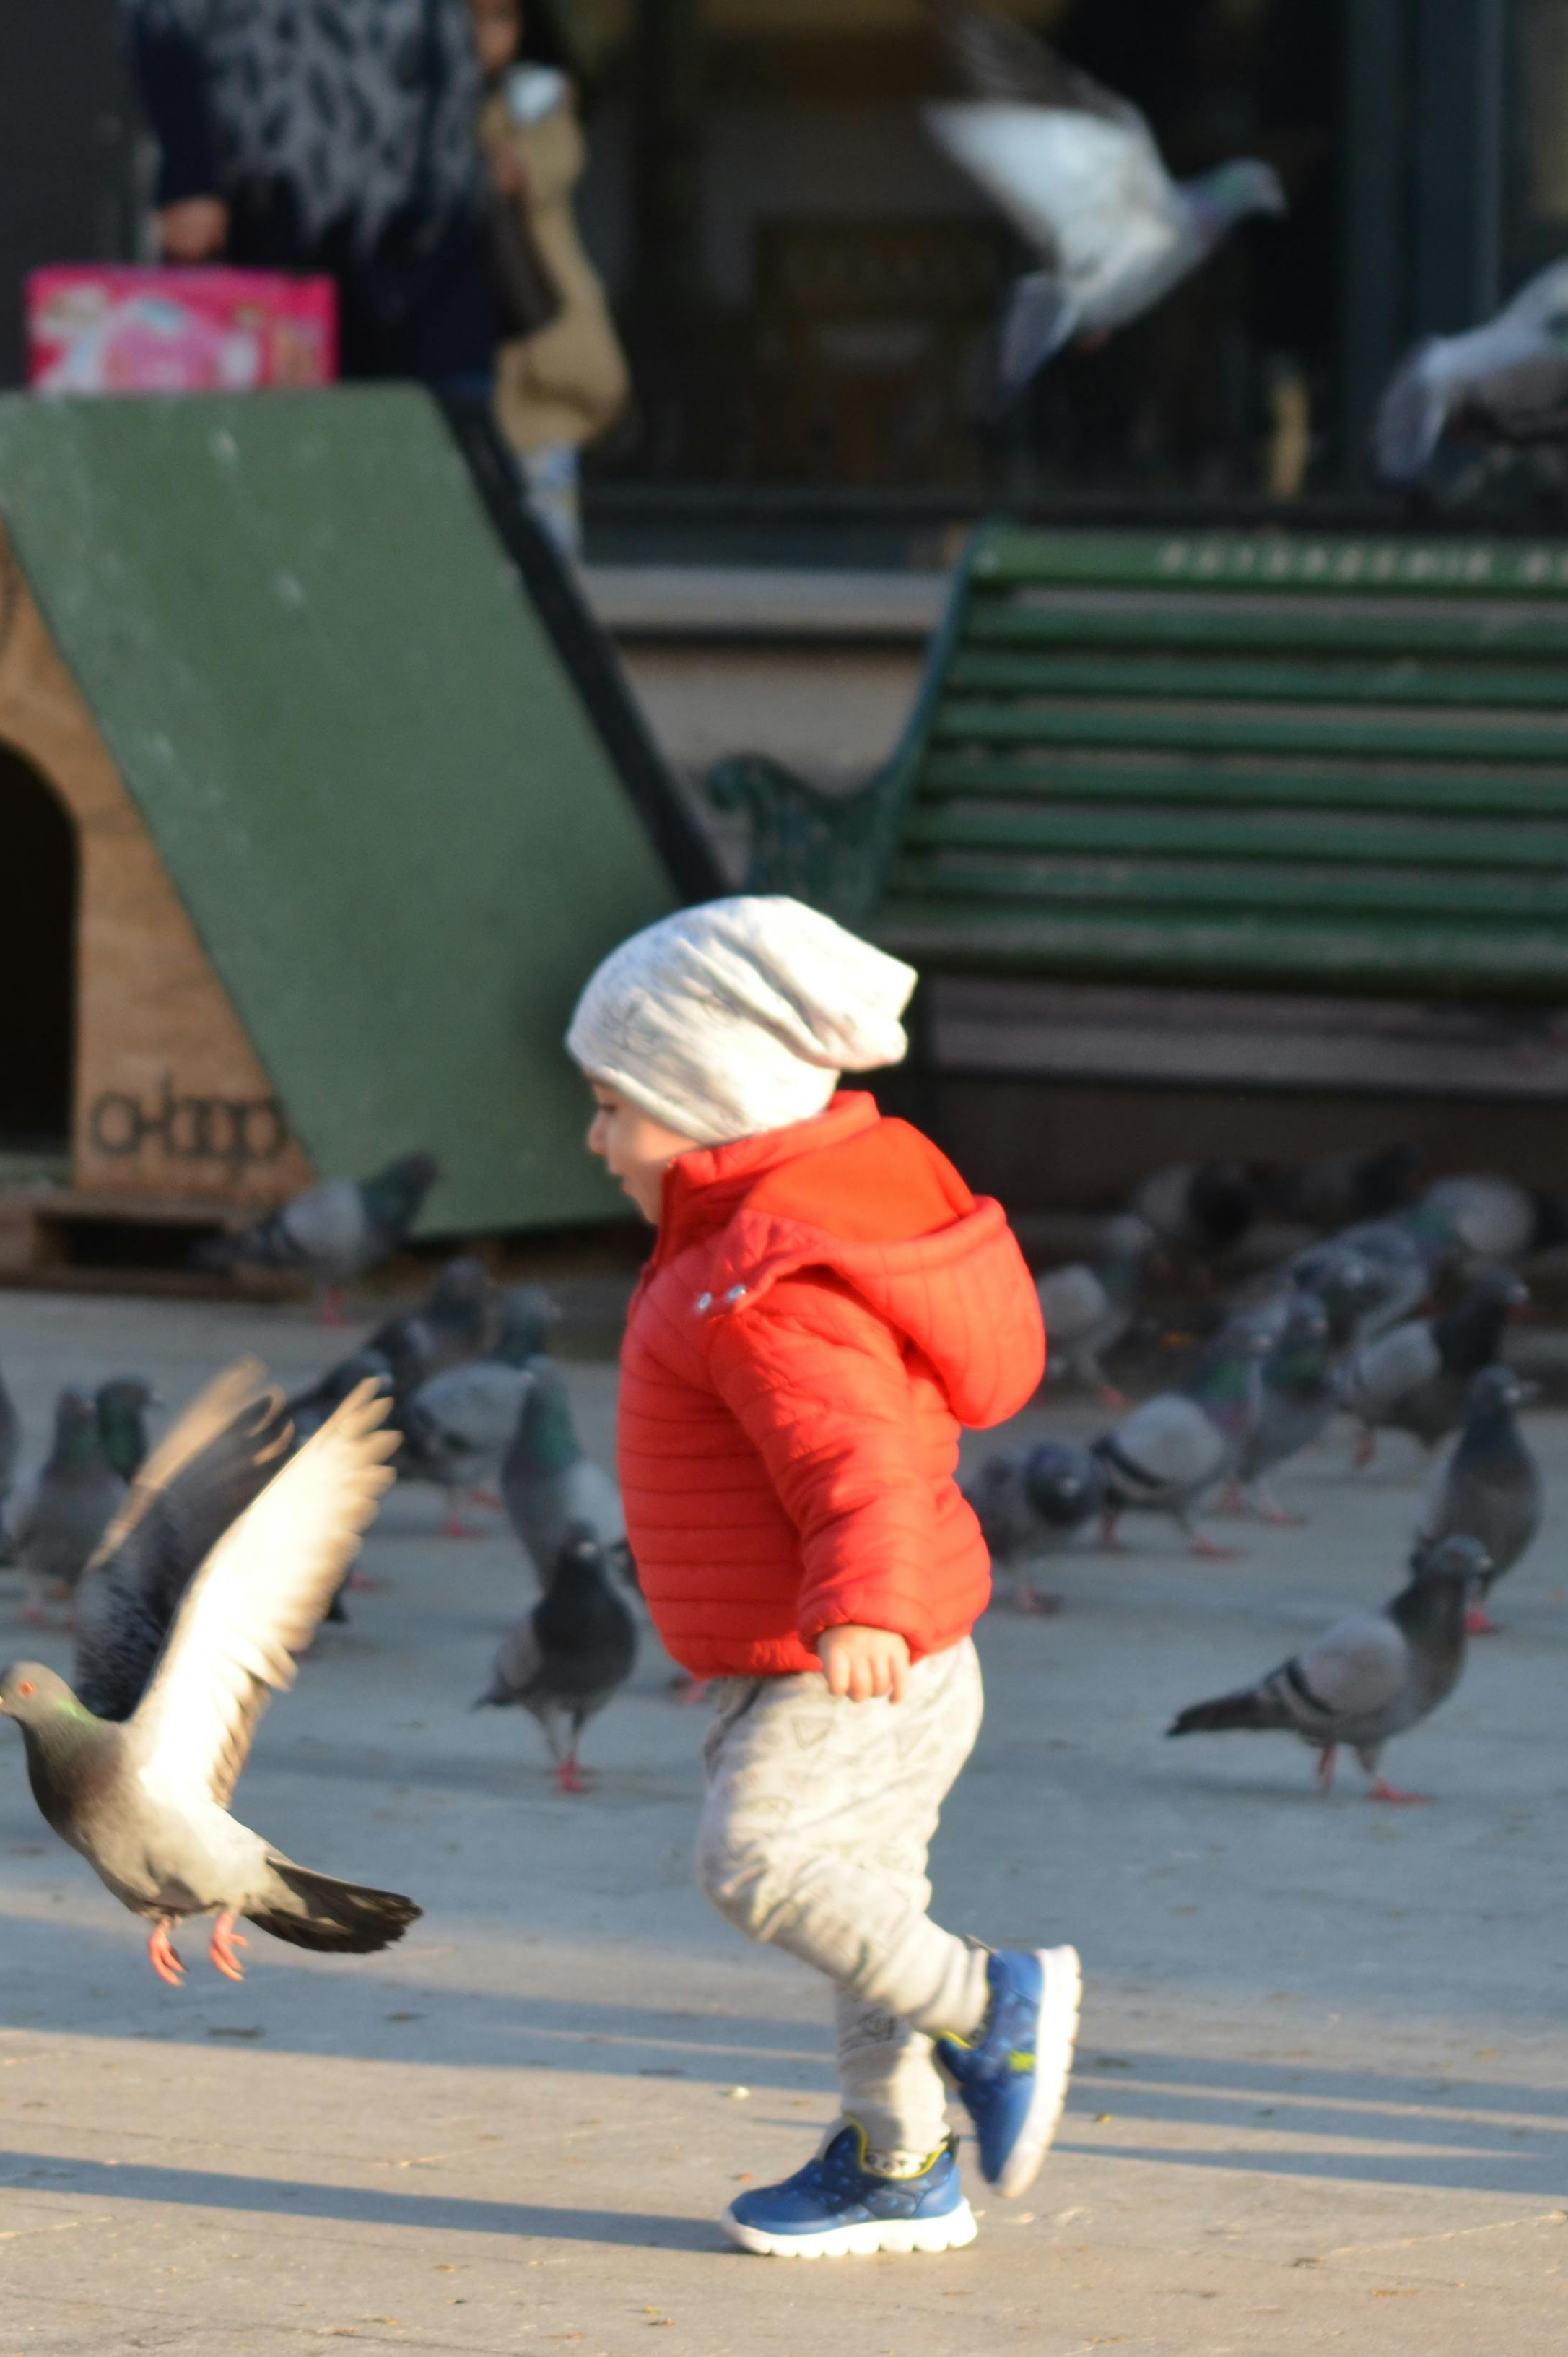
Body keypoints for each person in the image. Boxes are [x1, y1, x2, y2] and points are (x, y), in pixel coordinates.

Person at [568, 896, 1076, 2260]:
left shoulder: (761, 1280)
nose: (594, 1136)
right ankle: (897, 2156)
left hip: (848, 1652)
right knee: (865, 1907)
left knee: (758, 1861)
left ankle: (991, 2004)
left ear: (697, 1100)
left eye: (611, 1102)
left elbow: (851, 1453)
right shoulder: (735, 1247)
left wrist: (861, 1601)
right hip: (860, 1648)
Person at [124, 0, 495, 389]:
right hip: (289, 214)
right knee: (293, 426)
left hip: (439, 221)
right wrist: (189, 176)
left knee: (453, 424)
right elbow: (161, 20)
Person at [469, 0, 627, 554]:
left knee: (548, 553)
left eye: (500, 19)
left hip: (539, 366)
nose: (482, 36)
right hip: (466, 358)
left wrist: (506, 165)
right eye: (469, 17)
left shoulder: (533, 97)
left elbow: (553, 158)